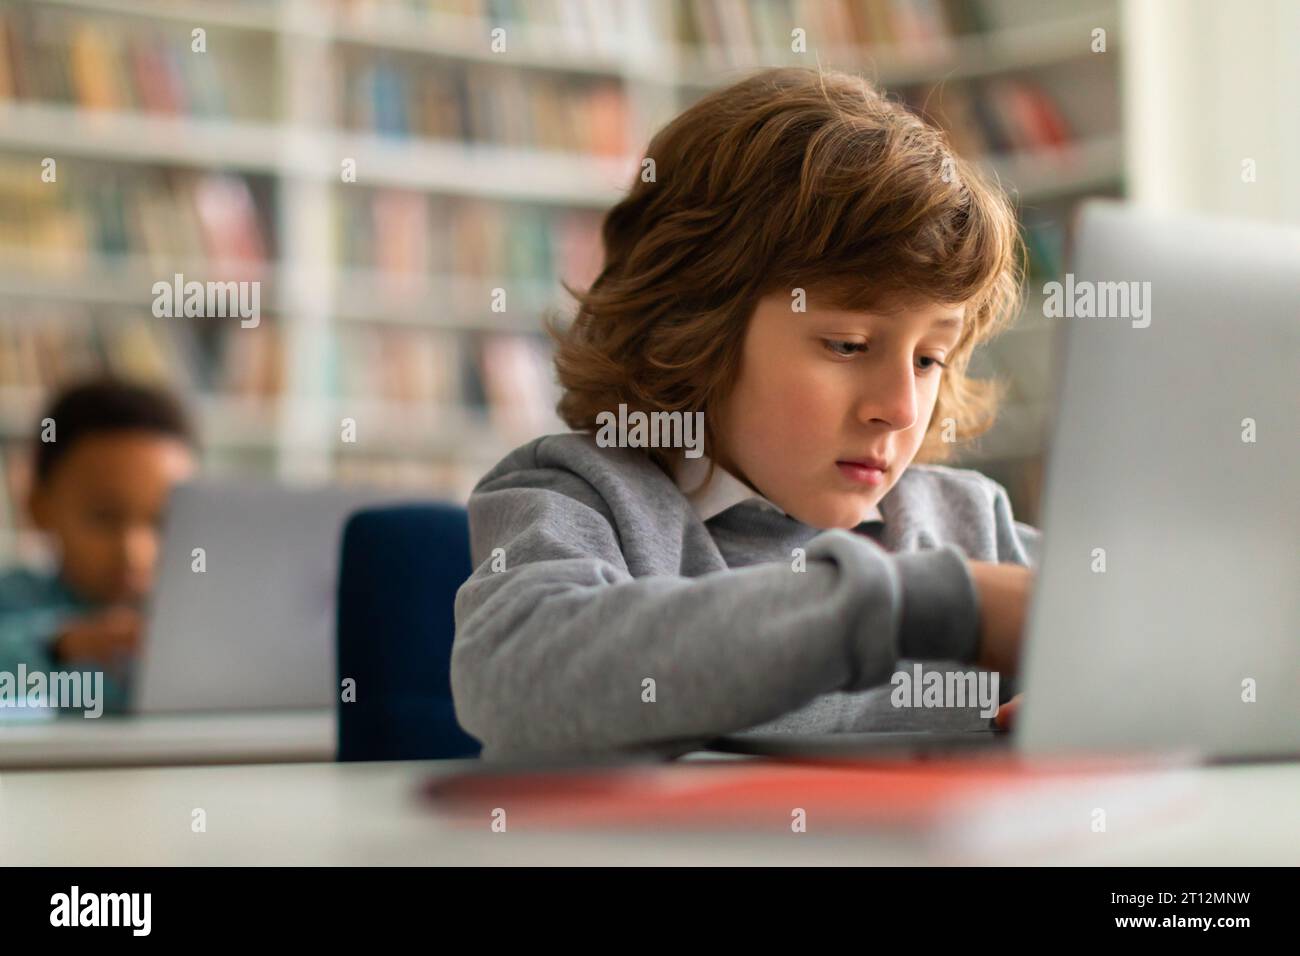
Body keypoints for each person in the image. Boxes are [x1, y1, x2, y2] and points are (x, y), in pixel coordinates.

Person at [452, 68, 1037, 761]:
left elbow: (1167, 635)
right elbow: (519, 685)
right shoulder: (586, 501)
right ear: (694, 325)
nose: (900, 408)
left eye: (929, 359)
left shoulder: (971, 523)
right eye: (847, 344)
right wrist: (925, 605)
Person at [0, 378, 197, 715]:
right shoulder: (14, 600)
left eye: (162, 522)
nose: (136, 552)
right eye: (104, 517)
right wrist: (59, 646)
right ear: (38, 506)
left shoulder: (195, 613)